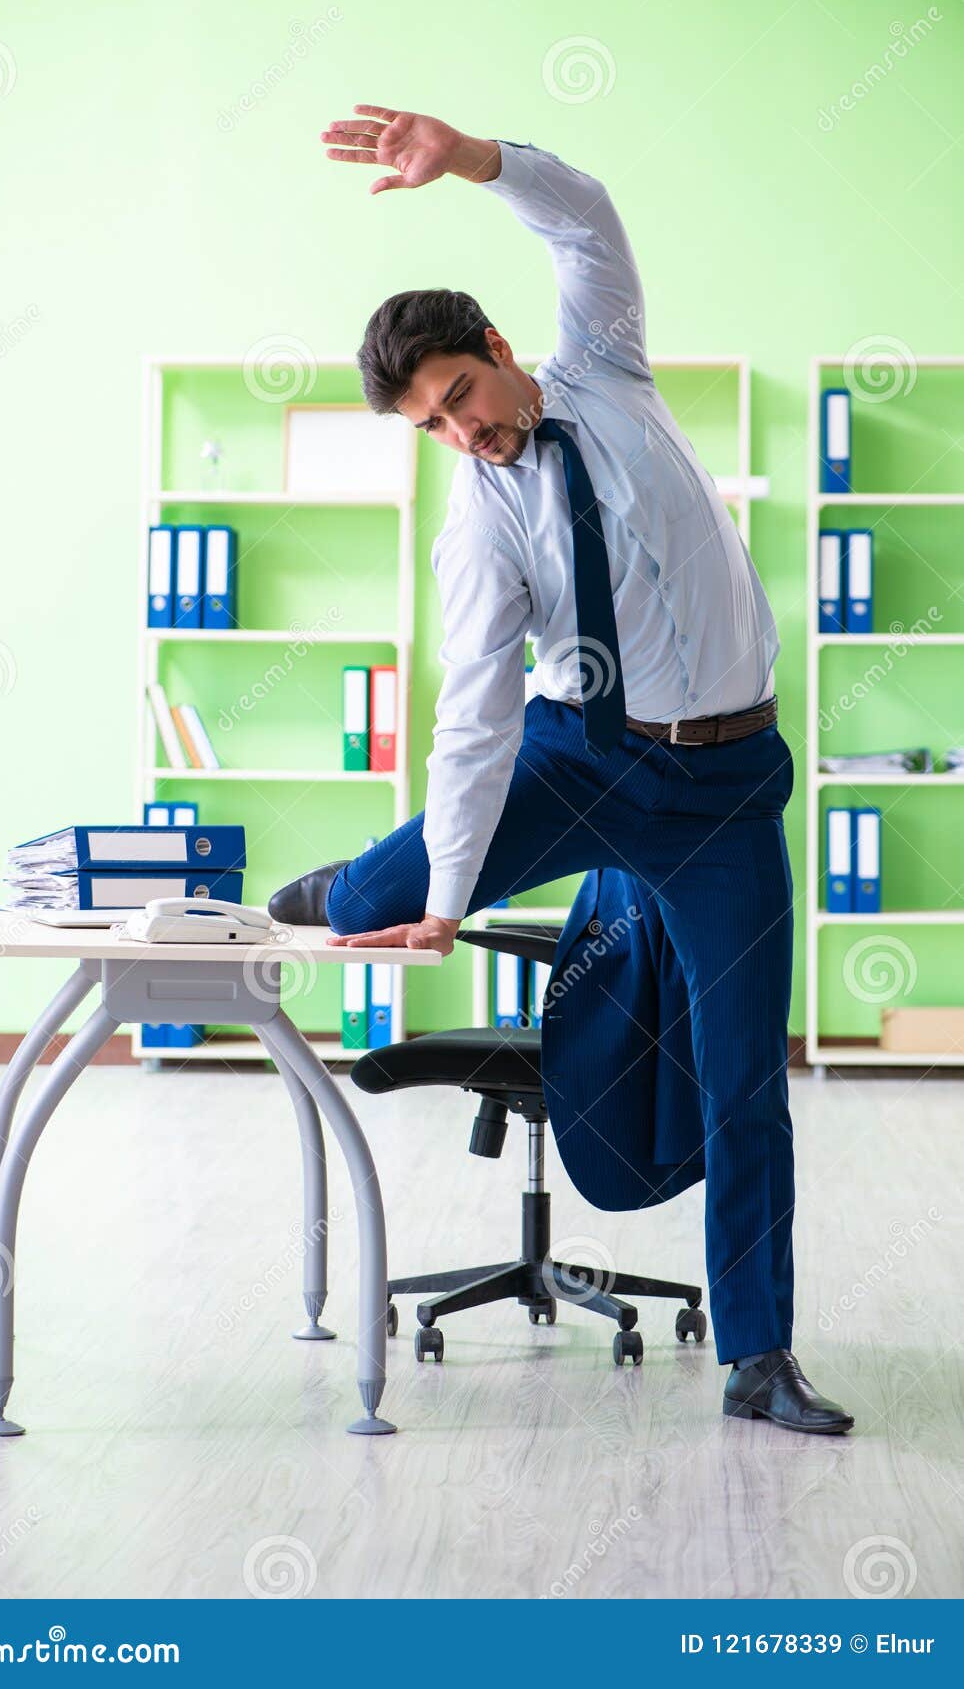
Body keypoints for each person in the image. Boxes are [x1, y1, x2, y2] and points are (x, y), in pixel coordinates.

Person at [269, 105, 853, 1435]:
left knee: (747, 1075)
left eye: (462, 397)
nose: (463, 435)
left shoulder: (605, 369)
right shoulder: (480, 528)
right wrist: (450, 894)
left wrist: (467, 156)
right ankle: (341, 886)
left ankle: (760, 1359)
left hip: (721, 792)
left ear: (498, 351)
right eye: (431, 426)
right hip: (582, 757)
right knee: (378, 899)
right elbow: (472, 715)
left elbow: (583, 216)